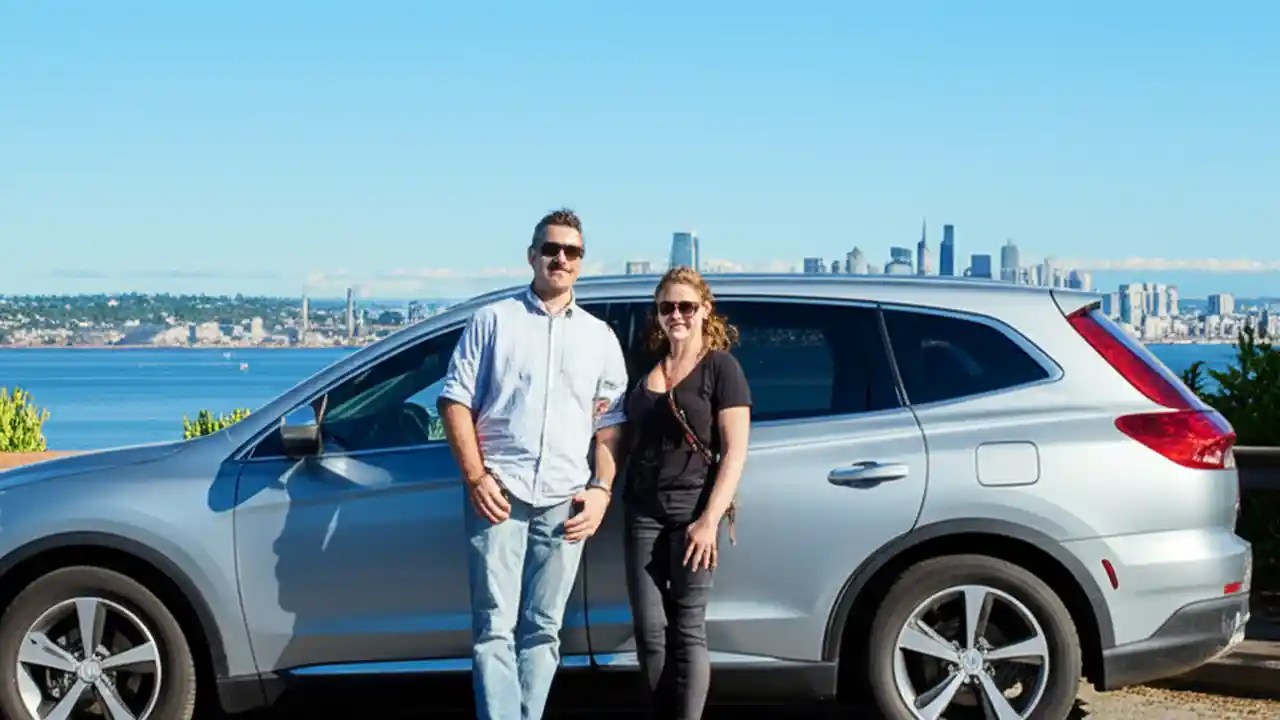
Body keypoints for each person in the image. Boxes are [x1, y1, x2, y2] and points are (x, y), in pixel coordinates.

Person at [437, 208, 629, 720]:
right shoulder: (493, 321)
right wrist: (475, 476)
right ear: (532, 255)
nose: (560, 258)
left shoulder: (600, 338)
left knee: (544, 629)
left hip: (566, 500)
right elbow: (453, 400)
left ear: (581, 263)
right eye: (551, 249)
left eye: (572, 252)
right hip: (499, 492)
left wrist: (602, 489)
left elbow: (609, 428)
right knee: (495, 626)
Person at [621, 266, 752, 719]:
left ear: (704, 311)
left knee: (688, 628)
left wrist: (709, 521)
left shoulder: (721, 367)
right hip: (642, 510)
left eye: (686, 306)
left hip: (695, 511)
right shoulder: (648, 366)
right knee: (650, 629)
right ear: (657, 314)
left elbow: (735, 452)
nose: (676, 315)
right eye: (667, 307)